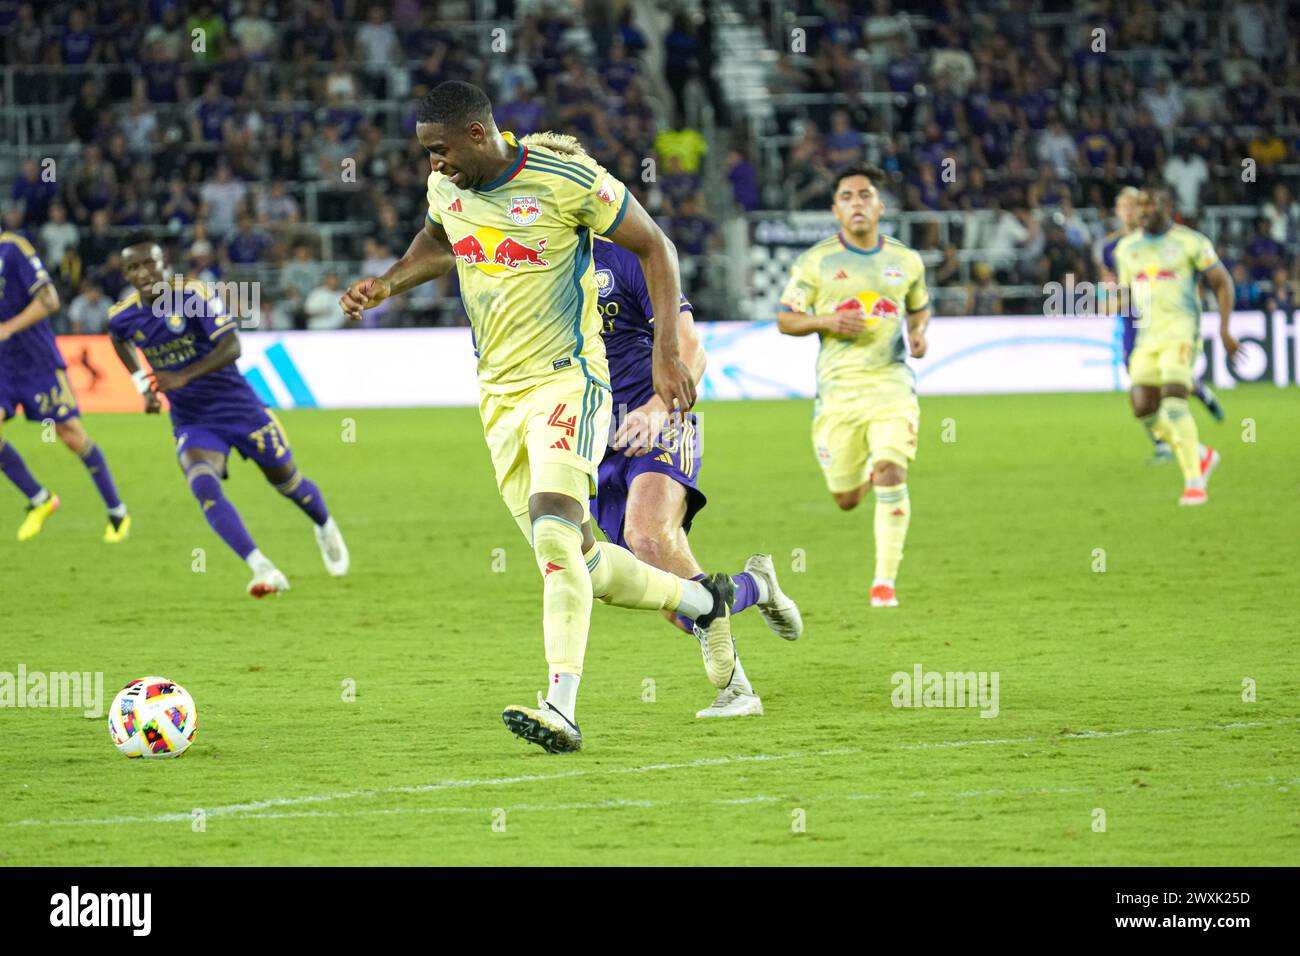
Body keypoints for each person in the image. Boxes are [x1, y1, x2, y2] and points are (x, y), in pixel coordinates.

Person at [339, 82, 737, 753]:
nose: (433, 166)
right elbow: (438, 243)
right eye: (426, 155)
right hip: (497, 398)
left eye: (440, 151)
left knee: (554, 536)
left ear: (476, 133)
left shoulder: (567, 179)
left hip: (567, 383)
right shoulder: (447, 187)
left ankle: (562, 706)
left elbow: (657, 248)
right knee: (583, 558)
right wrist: (387, 282)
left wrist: (669, 350)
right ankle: (704, 602)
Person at [519, 131, 805, 719]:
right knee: (661, 586)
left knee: (649, 536)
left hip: (658, 419)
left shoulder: (632, 252)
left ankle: (737, 688)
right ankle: (756, 586)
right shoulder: (536, 264)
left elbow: (692, 351)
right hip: (584, 434)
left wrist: (657, 407)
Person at [107, 235, 349, 594]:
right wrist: (145, 387)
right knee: (202, 484)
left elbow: (232, 345)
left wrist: (182, 376)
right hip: (193, 420)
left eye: (148, 264)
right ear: (125, 274)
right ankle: (262, 568)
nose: (142, 273)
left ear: (164, 264)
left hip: (239, 408)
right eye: (132, 267)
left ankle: (325, 525)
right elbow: (119, 342)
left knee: (288, 483)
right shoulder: (121, 316)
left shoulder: (192, 295)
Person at [777, 165, 930, 608]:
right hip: (838, 394)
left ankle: (884, 583)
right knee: (845, 499)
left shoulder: (906, 261)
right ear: (835, 209)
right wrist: (825, 320)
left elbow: (919, 308)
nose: (857, 203)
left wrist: (919, 333)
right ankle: (866, 474)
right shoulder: (816, 262)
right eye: (847, 197)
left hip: (892, 386)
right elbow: (786, 318)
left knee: (892, 471)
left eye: (866, 195)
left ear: (880, 206)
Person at [0, 230, 129, 542]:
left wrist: (7, 329)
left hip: (36, 360)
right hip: (3, 365)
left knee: (69, 434)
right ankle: (39, 499)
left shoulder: (13, 249)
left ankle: (117, 512)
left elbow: (50, 300)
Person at [1114, 187, 1239, 505]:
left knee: (1174, 403)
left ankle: (1194, 482)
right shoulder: (1126, 249)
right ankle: (1198, 453)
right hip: (1147, 338)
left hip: (1182, 335)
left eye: (1150, 204)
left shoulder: (1191, 242)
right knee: (1143, 408)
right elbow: (1126, 299)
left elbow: (1222, 282)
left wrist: (1225, 330)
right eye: (1140, 205)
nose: (1144, 210)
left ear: (1167, 206)